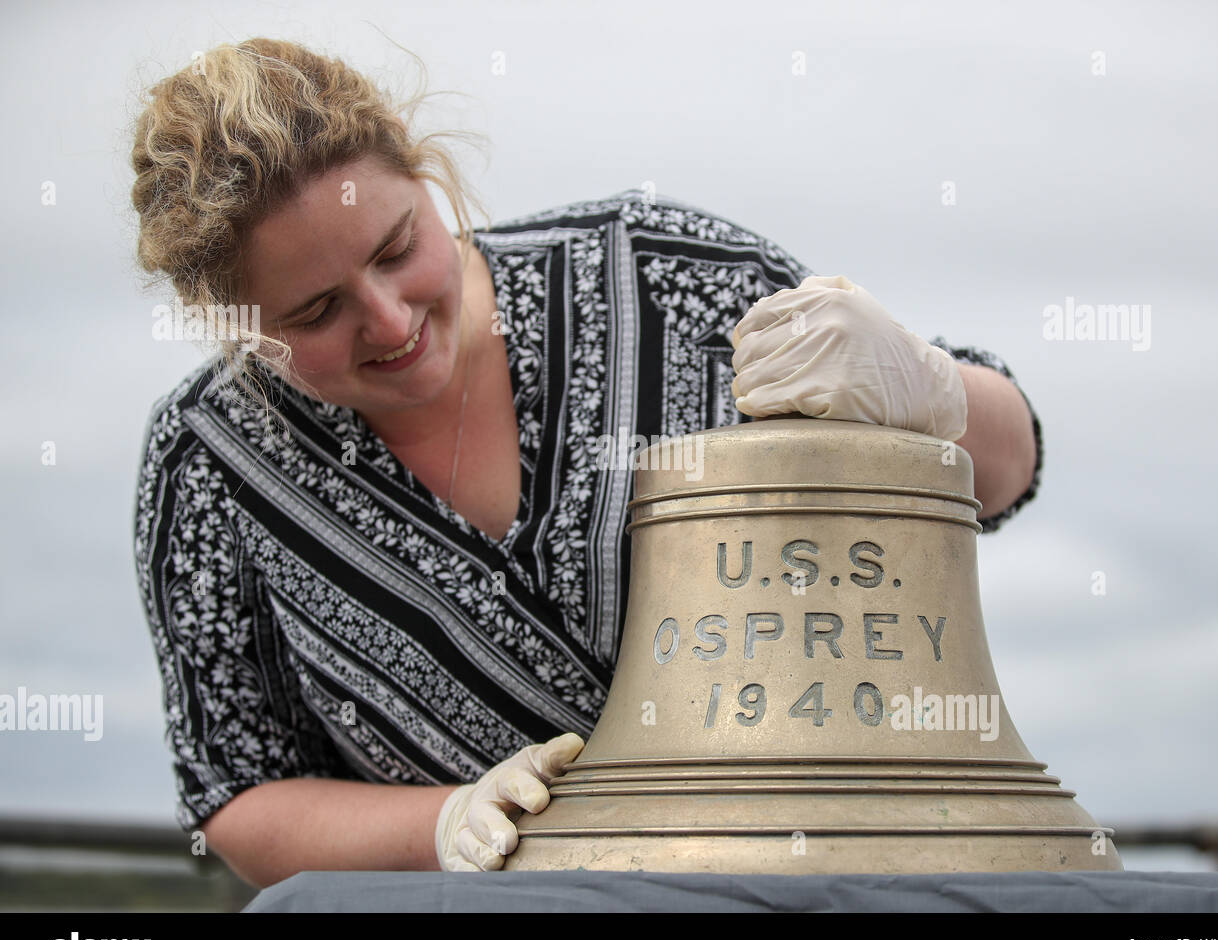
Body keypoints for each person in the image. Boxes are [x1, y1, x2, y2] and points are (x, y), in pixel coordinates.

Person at [131, 38, 1042, 888]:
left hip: (824, 884)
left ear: (425, 176)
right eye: (317, 311)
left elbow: (1007, 470)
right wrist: (444, 821)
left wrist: (931, 391)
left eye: (398, 249)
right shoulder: (209, 465)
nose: (392, 322)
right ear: (237, 325)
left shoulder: (665, 275)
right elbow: (238, 794)